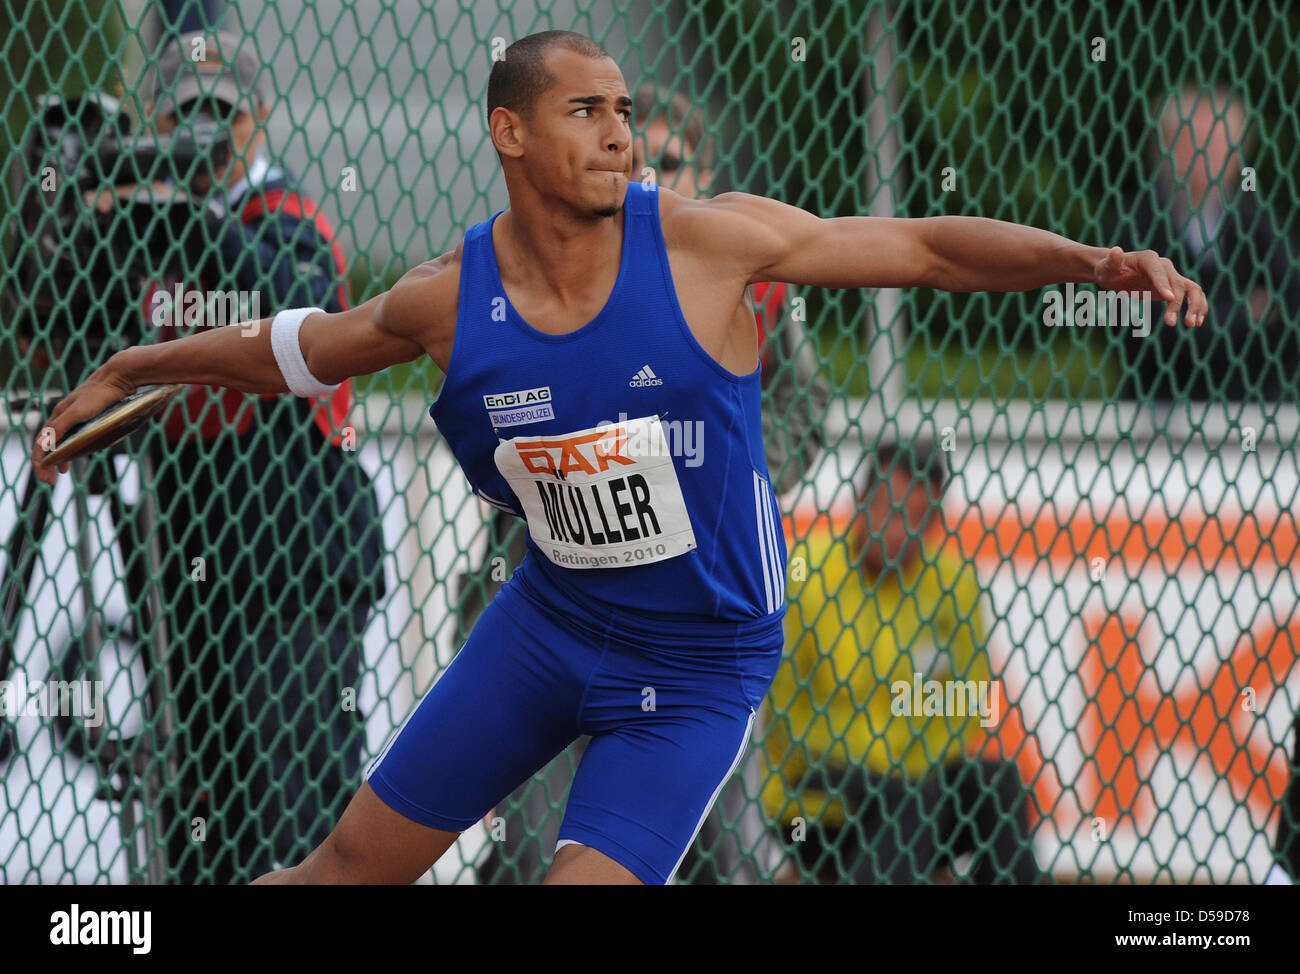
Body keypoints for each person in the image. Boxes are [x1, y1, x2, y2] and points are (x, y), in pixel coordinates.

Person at [32, 29, 1207, 885]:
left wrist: (1089, 260)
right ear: (509, 132)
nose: (618, 131)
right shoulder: (447, 300)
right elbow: (289, 350)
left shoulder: (704, 244)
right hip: (547, 625)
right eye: (584, 110)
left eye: (623, 109)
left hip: (698, 664)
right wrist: (140, 365)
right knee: (340, 867)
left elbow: (922, 249)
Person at [471, 81, 829, 884]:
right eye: (640, 161)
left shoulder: (746, 272)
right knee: (538, 842)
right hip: (563, 597)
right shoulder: (549, 265)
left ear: (705, 174)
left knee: (725, 839)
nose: (658, 177)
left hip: (703, 606)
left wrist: (721, 477)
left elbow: (809, 407)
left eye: (676, 161)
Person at [134, 30, 387, 883]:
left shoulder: (287, 219)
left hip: (294, 567)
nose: (204, 132)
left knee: (296, 820)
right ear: (152, 119)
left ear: (261, 119)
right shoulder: (147, 221)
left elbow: (302, 315)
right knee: (206, 816)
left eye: (223, 113)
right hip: (192, 568)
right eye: (184, 113)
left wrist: (191, 214)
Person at [761, 442, 1036, 883]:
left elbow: (966, 706)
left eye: (916, 518)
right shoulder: (807, 574)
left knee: (998, 783)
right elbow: (781, 714)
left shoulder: (955, 586)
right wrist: (876, 769)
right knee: (903, 799)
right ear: (862, 500)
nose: (897, 530)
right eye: (889, 510)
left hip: (920, 786)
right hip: (820, 796)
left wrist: (912, 771)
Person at [1114, 83, 1299, 402]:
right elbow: (1140, 331)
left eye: (1214, 142)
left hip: (1255, 411)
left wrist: (1188, 315)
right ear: (1161, 147)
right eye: (1189, 142)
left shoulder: (1264, 227)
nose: (1202, 156)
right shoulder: (1133, 229)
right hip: (1156, 409)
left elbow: (1289, 313)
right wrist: (1247, 311)